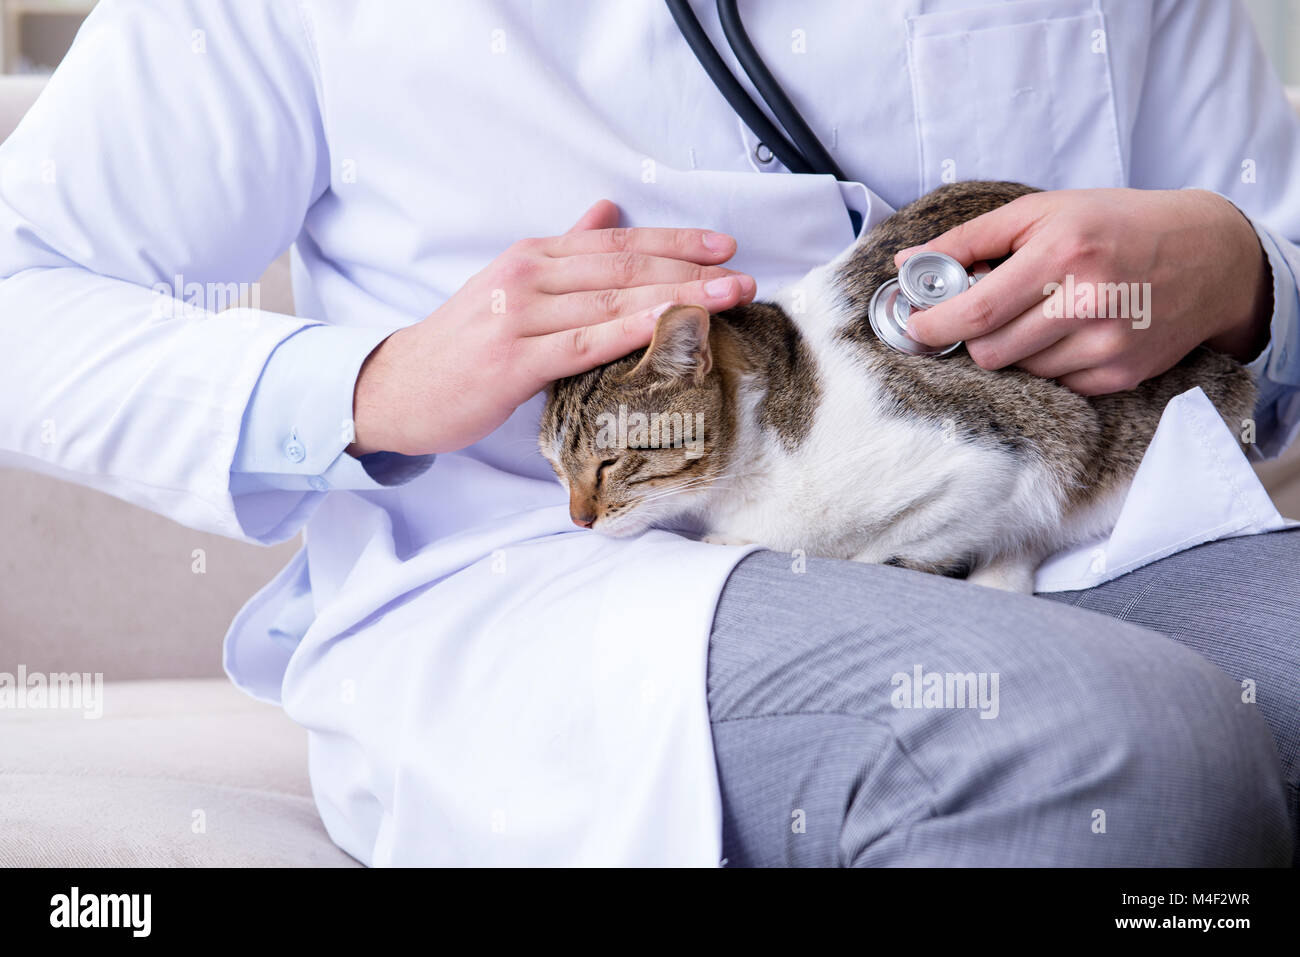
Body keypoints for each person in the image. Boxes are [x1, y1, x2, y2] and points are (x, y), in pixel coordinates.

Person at [0, 0, 1294, 866]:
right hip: (566, 576)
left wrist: (1245, 274)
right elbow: (23, 283)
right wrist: (372, 381)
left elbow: (1269, 241)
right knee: (1111, 741)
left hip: (1087, 515)